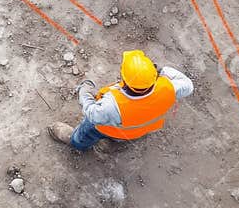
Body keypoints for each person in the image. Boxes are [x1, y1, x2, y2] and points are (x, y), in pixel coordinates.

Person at [48, 50, 193, 151]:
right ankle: (120, 140)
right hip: (138, 129)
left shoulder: (112, 106)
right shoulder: (169, 89)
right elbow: (188, 85)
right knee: (127, 134)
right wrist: (161, 71)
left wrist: (84, 92)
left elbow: (92, 114)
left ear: (124, 79)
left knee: (88, 131)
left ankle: (77, 143)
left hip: (110, 128)